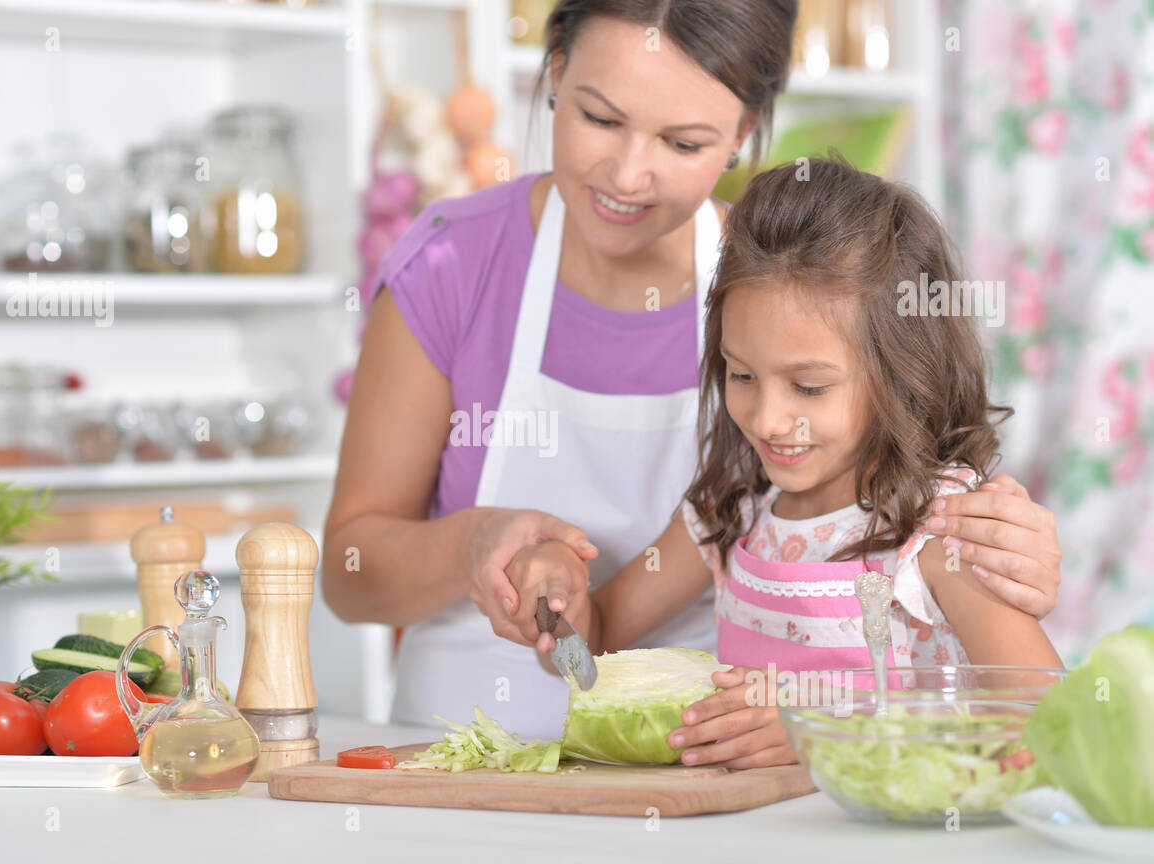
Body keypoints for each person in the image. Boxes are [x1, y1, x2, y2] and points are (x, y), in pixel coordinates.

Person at [322, 1, 1064, 739]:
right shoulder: (455, 262)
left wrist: (1004, 553)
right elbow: (353, 577)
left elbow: (1035, 711)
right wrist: (481, 548)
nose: (628, 174)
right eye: (600, 119)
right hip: (463, 749)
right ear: (555, 72)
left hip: (703, 781)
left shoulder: (783, 277)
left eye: (682, 142)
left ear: (742, 131)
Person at [499, 155, 1067, 764]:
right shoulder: (730, 516)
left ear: (901, 373)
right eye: (741, 374)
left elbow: (1049, 723)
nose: (768, 419)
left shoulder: (940, 530)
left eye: (809, 387)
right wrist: (555, 601)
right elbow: (598, 641)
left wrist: (825, 732)